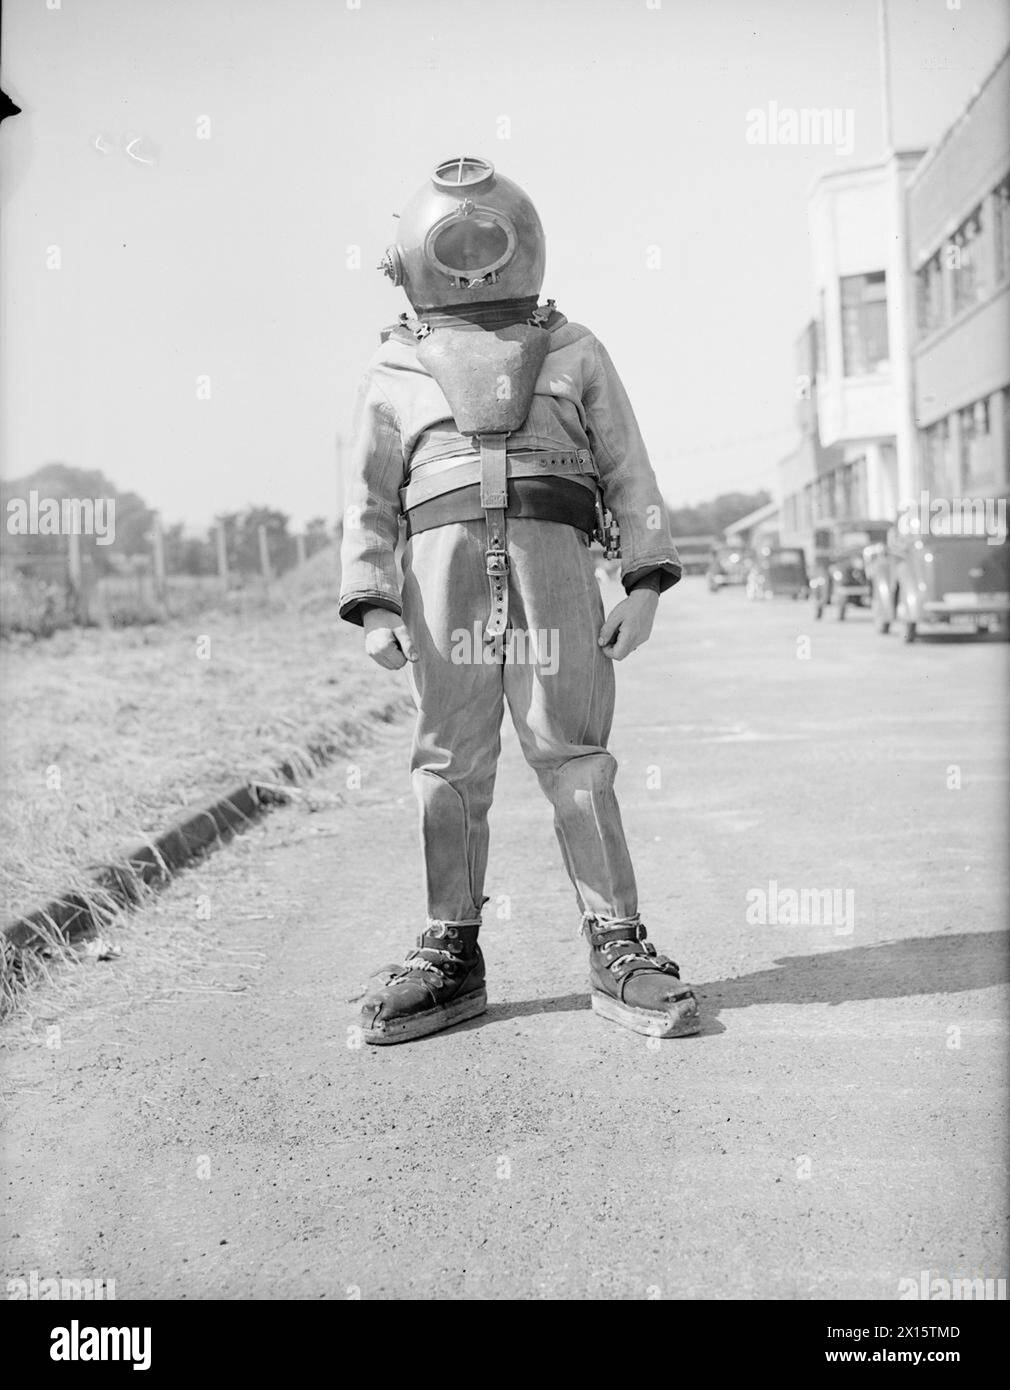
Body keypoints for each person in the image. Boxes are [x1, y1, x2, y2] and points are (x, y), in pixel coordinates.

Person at [339, 156, 698, 1044]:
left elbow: (626, 467)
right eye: (452, 245)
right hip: (440, 579)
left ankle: (618, 944)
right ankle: (450, 951)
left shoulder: (576, 351)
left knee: (576, 754)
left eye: (484, 239)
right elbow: (368, 498)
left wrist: (644, 578)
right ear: (415, 257)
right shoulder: (394, 365)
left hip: (556, 573)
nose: (472, 261)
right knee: (449, 764)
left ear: (522, 240)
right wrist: (375, 602)